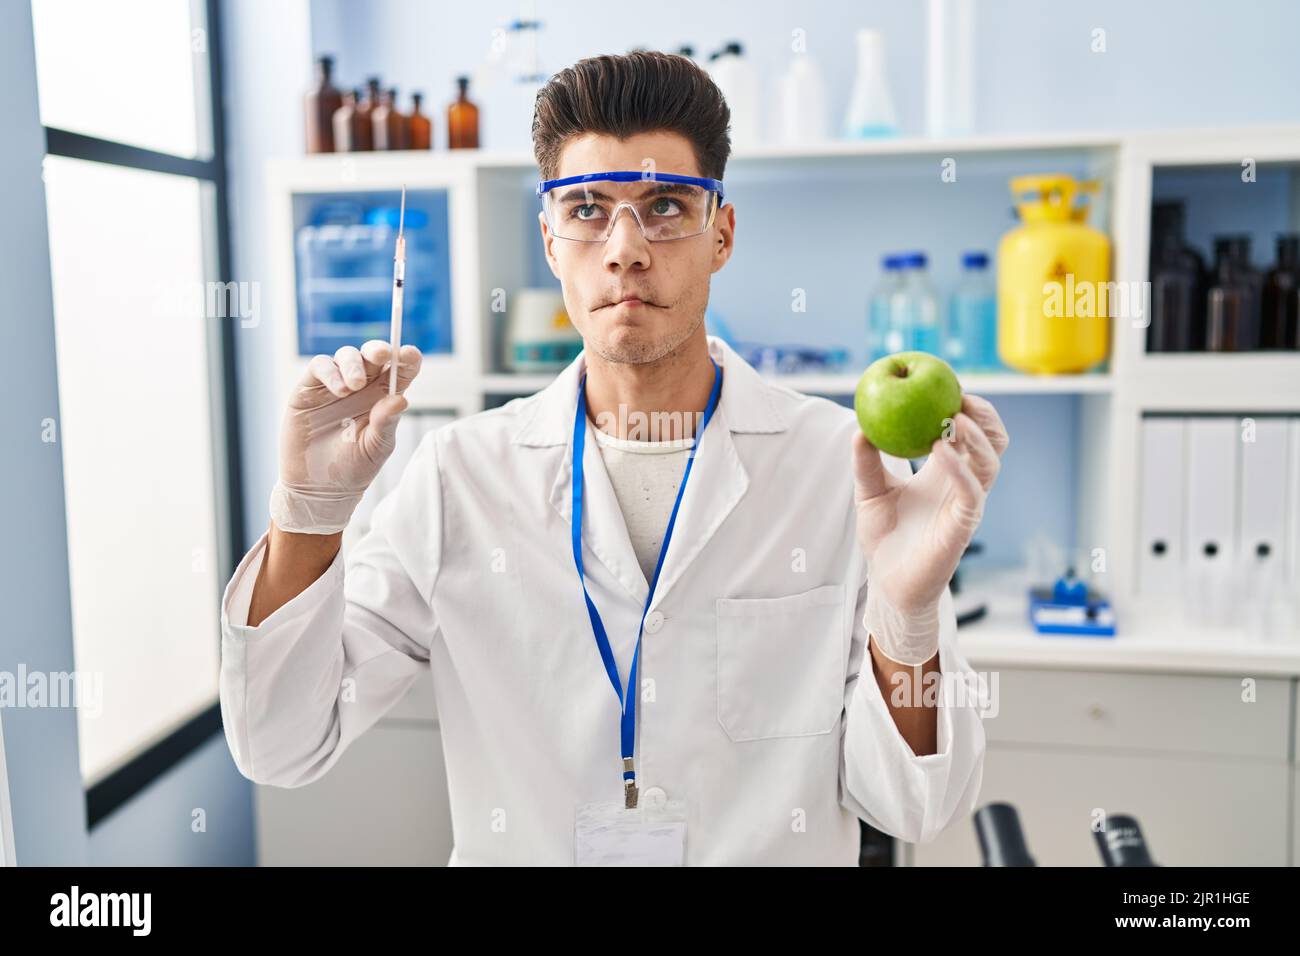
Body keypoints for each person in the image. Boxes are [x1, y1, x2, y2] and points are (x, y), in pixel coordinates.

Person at [219, 51, 1010, 865]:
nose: (625, 248)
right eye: (589, 208)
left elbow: (917, 806)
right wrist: (308, 514)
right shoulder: (459, 476)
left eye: (665, 205)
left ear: (722, 235)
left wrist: (908, 616)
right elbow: (281, 745)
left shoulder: (839, 469)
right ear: (552, 242)